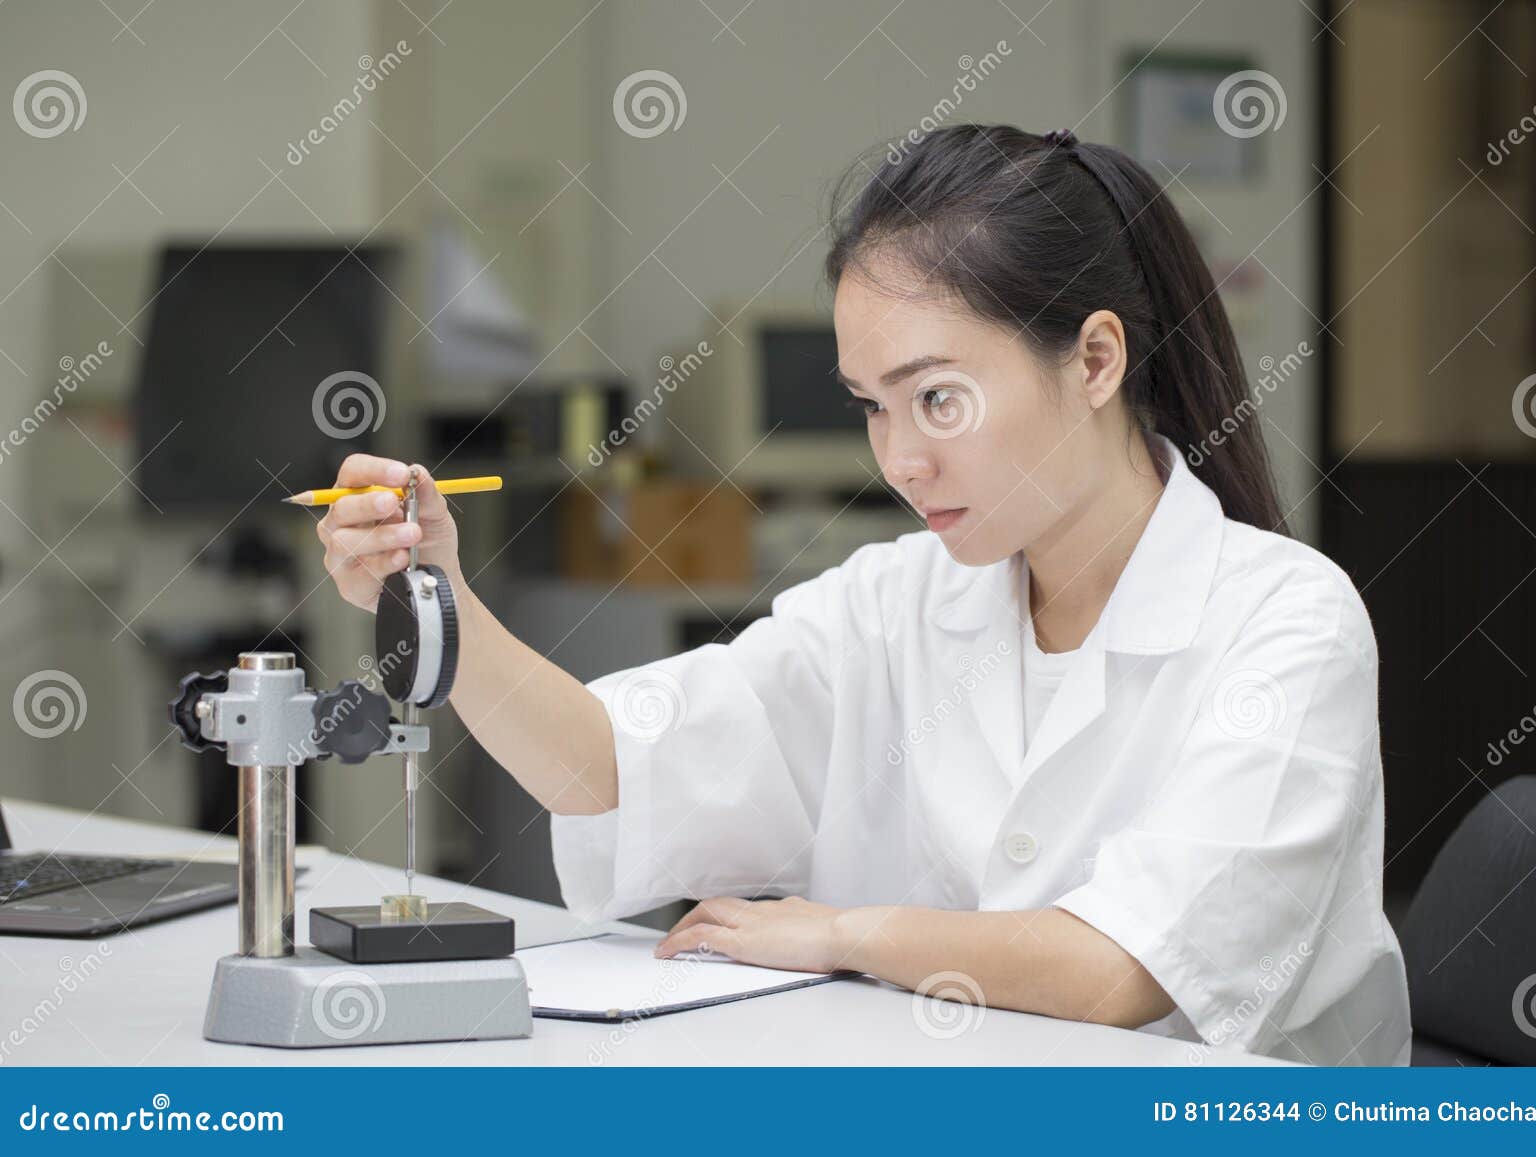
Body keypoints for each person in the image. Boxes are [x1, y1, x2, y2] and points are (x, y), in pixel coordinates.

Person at [317, 124, 1411, 1066]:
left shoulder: (1284, 622)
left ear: (1093, 360)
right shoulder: (898, 601)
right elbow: (613, 765)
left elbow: (1121, 969)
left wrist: (844, 931)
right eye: (872, 407)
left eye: (937, 397)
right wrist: (443, 595)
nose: (902, 459)